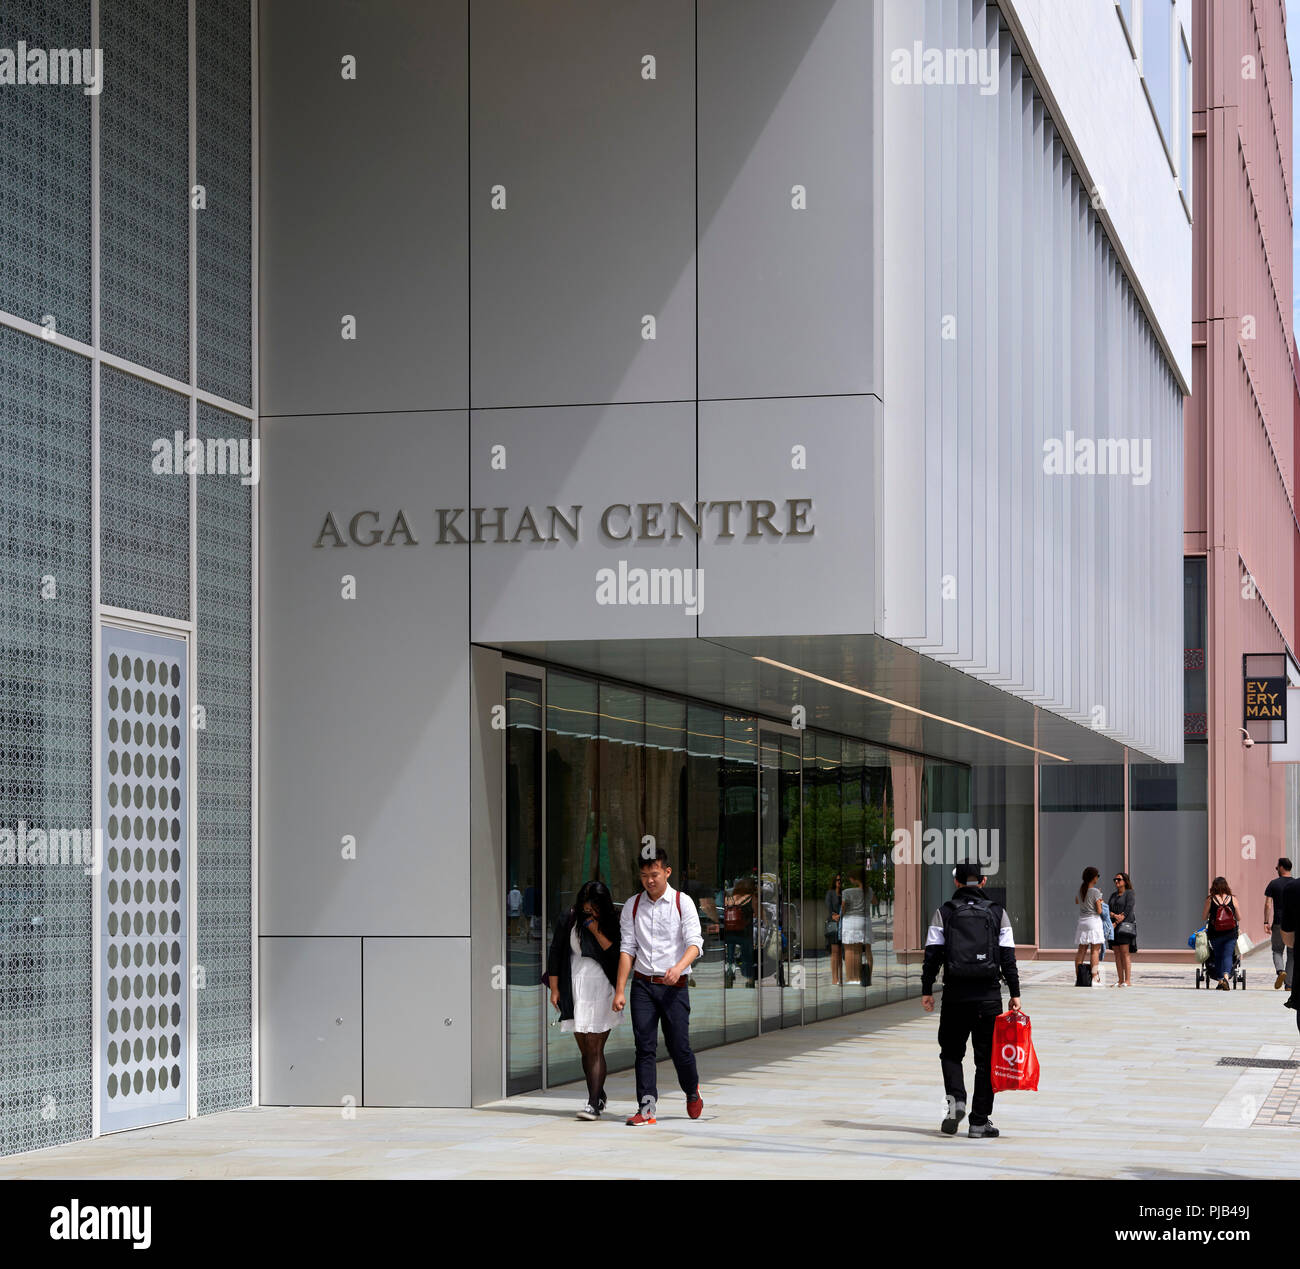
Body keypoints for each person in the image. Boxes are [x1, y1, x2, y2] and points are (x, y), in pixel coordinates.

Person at [921, 865, 1021, 1139]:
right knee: (986, 1060)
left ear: (956, 881)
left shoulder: (944, 912)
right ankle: (979, 1122)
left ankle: (956, 1103)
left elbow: (932, 954)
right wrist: (1015, 992)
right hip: (988, 997)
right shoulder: (997, 911)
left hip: (955, 995)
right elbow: (1008, 956)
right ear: (983, 881)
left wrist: (927, 989)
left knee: (951, 1054)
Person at [613, 846, 705, 1126]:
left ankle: (692, 1090)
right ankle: (647, 1108)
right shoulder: (633, 905)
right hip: (643, 985)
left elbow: (695, 944)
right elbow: (627, 949)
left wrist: (678, 968)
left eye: (654, 874)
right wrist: (619, 990)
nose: (649, 880)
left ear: (667, 872)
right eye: (644, 875)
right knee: (645, 1047)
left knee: (679, 1047)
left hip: (675, 987)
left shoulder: (682, 902)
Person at [547, 880, 622, 1119]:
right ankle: (597, 1092)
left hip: (602, 985)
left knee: (594, 1045)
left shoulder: (614, 920)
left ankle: (593, 1104)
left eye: (594, 908)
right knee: (585, 1049)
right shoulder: (569, 918)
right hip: (575, 986)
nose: (588, 911)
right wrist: (555, 988)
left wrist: (594, 928)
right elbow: (556, 951)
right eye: (586, 907)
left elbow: (615, 952)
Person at [1202, 877, 1240, 990]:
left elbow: (1204, 917)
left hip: (1215, 933)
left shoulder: (1210, 899)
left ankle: (1220, 980)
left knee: (1218, 956)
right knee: (1228, 955)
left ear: (1213, 887)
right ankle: (1226, 977)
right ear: (1226, 886)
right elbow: (1239, 917)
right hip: (1231, 933)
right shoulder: (1233, 899)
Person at [841, 866, 873, 987]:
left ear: (854, 879)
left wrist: (840, 915)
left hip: (850, 920)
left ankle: (852, 977)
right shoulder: (868, 890)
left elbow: (843, 908)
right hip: (865, 920)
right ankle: (867, 978)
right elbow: (874, 901)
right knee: (867, 950)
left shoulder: (847, 892)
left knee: (850, 950)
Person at [1264, 859, 1294, 991]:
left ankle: (1280, 971)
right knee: (1292, 952)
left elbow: (1268, 904)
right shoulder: (1295, 884)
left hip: (1278, 922)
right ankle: (1289, 984)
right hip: (1294, 923)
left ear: (1281, 868)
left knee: (1277, 950)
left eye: (1277, 867)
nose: (1276, 869)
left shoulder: (1273, 884)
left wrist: (1266, 921)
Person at [1074, 867, 1104, 986]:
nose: (1097, 878)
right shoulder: (1095, 891)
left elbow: (1077, 902)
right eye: (1097, 876)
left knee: (1081, 950)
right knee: (1095, 950)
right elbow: (1099, 911)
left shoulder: (1080, 890)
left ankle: (1079, 977)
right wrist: (1100, 901)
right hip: (1093, 921)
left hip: (1082, 921)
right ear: (1093, 877)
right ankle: (1094, 978)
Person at [1108, 872, 1136, 988]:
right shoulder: (1113, 895)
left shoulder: (1129, 893)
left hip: (1124, 927)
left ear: (1125, 881)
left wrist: (1118, 920)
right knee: (1117, 954)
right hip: (1114, 927)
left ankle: (1127, 980)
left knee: (1125, 953)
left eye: (1119, 879)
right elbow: (1108, 910)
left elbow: (1129, 908)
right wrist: (1114, 917)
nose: (1116, 881)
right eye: (1115, 879)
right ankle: (1120, 980)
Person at [825, 873, 843, 987]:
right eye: (837, 880)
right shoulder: (830, 893)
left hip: (843, 924)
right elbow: (828, 906)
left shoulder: (844, 893)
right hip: (833, 923)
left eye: (840, 880)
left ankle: (840, 977)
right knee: (834, 952)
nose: (839, 882)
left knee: (840, 953)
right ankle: (834, 978)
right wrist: (833, 915)